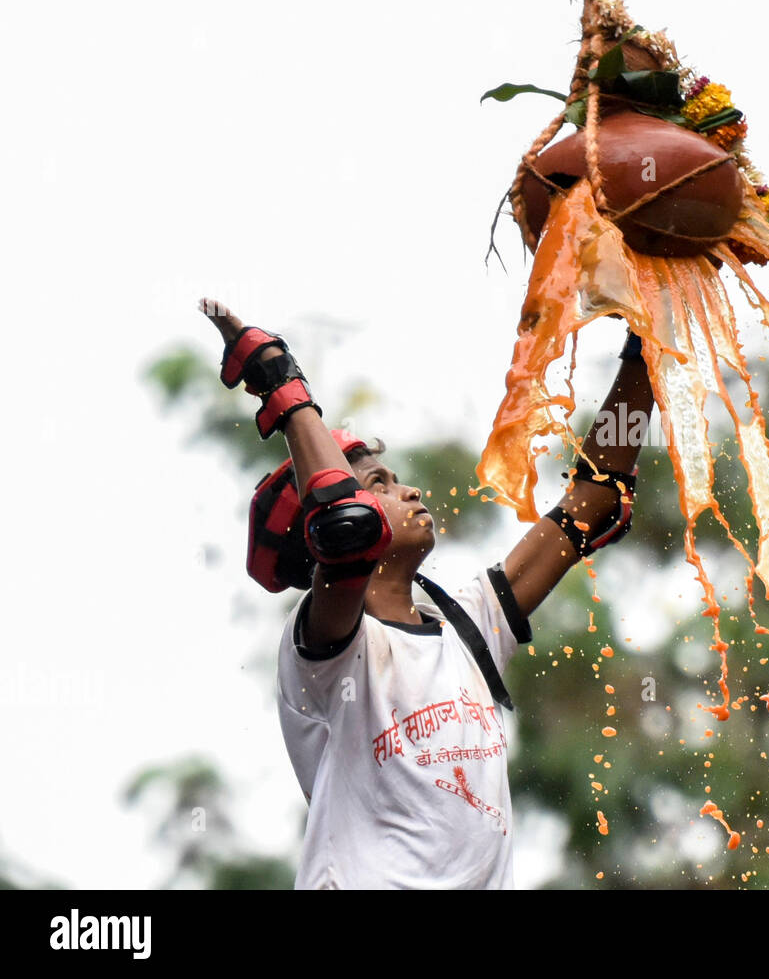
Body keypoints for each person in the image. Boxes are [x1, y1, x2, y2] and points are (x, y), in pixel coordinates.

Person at [197, 297, 654, 889]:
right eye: (379, 483)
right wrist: (279, 380)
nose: (408, 489)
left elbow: (595, 502)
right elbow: (345, 527)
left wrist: (646, 348)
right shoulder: (327, 649)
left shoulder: (466, 626)